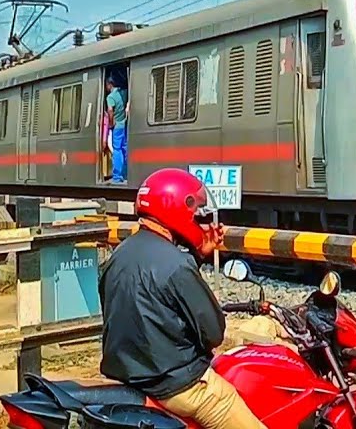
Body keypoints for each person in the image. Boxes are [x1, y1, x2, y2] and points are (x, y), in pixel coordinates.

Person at [98, 169, 263, 429]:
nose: (200, 221)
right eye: (196, 213)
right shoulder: (176, 265)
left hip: (128, 375)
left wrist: (197, 256)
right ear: (177, 209)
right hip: (175, 385)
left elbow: (153, 299)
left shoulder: (118, 256)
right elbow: (213, 333)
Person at [105, 77, 128, 184]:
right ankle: (125, 174)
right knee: (124, 149)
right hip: (124, 124)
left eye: (106, 85)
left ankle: (117, 176)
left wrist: (111, 122)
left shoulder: (110, 97)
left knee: (117, 150)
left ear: (110, 84)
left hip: (117, 126)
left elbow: (110, 109)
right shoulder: (123, 93)